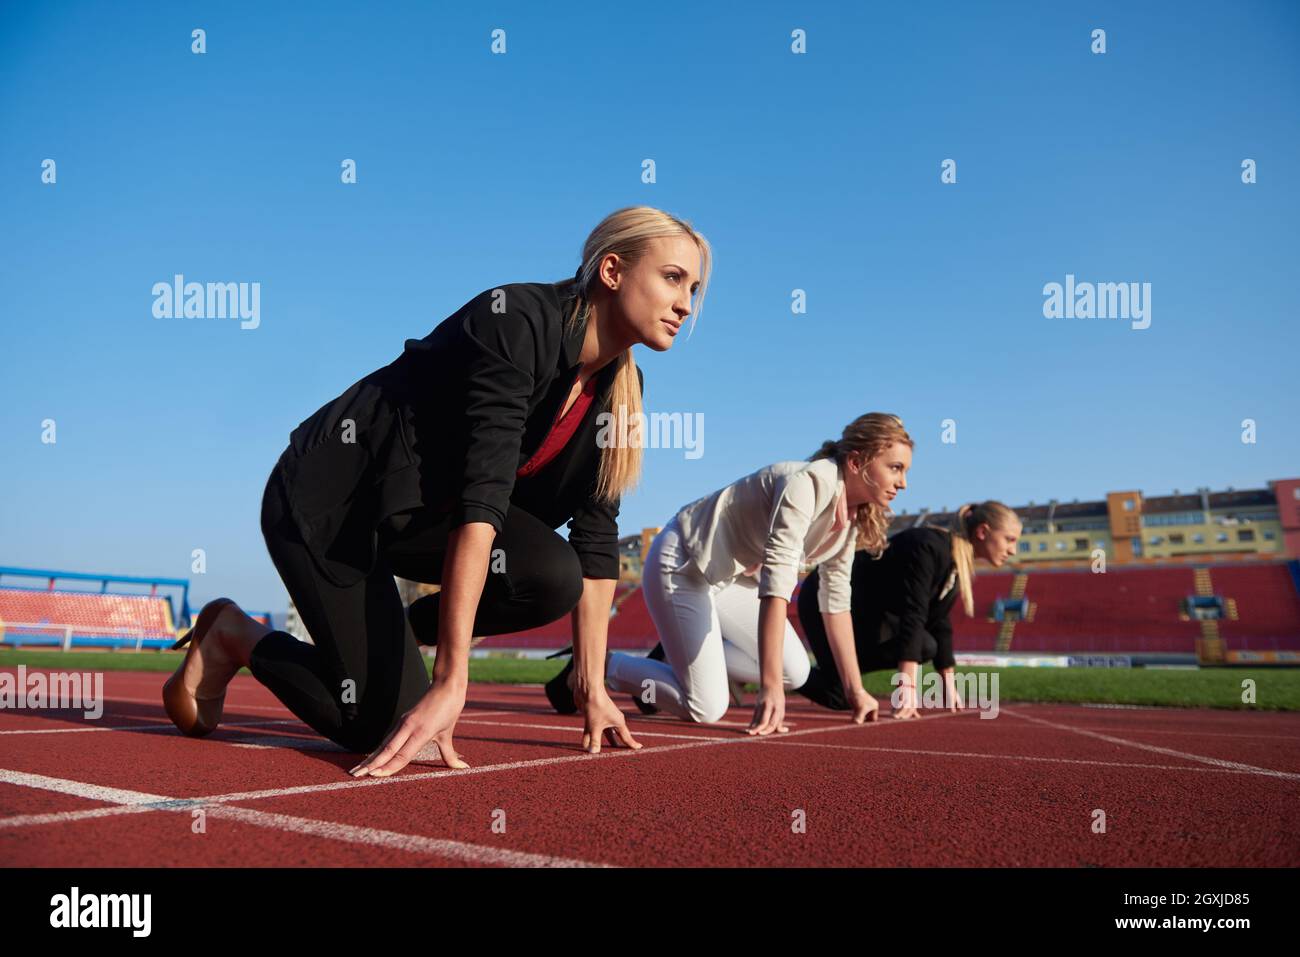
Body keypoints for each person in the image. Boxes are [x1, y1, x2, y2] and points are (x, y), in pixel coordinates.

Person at [161, 205, 712, 777]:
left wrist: (592, 687)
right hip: (331, 506)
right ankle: (233, 635)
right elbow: (484, 497)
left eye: (694, 287)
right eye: (673, 278)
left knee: (553, 575)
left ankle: (393, 648)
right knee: (376, 725)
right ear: (612, 271)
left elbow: (596, 537)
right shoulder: (517, 320)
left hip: (419, 521)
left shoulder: (624, 386)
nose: (685, 304)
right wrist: (453, 681)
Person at [547, 413, 914, 735]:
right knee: (706, 708)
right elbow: (776, 586)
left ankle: (677, 663)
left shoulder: (850, 521)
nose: (903, 482)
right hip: (683, 564)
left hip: (730, 580)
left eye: (905, 471)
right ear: (856, 461)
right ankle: (601, 663)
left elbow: (835, 605)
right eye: (894, 468)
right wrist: (769, 689)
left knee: (797, 672)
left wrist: (855, 691)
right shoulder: (808, 483)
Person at [795, 501, 1021, 718]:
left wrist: (949, 687)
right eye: (1009, 540)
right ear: (983, 531)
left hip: (865, 613)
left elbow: (939, 622)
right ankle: (778, 666)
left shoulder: (955, 564)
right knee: (845, 692)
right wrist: (907, 688)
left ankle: (806, 670)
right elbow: (914, 615)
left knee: (842, 695)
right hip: (825, 598)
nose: (1013, 550)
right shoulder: (928, 546)